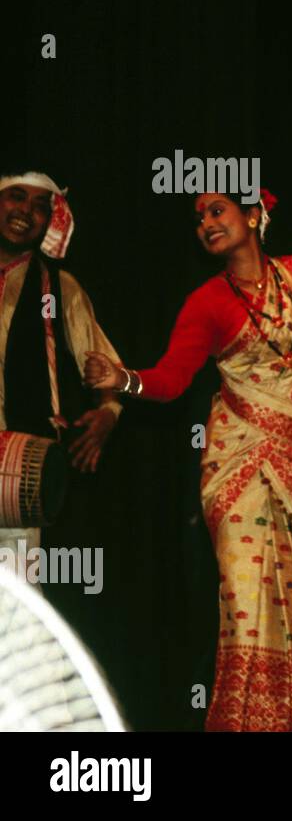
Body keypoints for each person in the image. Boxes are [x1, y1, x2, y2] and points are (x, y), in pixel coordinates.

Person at [84, 189, 292, 730]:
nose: (207, 224)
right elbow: (170, 382)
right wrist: (124, 380)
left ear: (254, 216)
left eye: (218, 212)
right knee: (245, 607)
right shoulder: (207, 302)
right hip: (239, 468)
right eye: (199, 219)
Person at [0, 170, 121, 574]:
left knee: (14, 607)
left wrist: (108, 412)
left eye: (40, 206)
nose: (27, 212)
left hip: (14, 469)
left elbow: (106, 366)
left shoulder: (56, 289)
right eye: (16, 197)